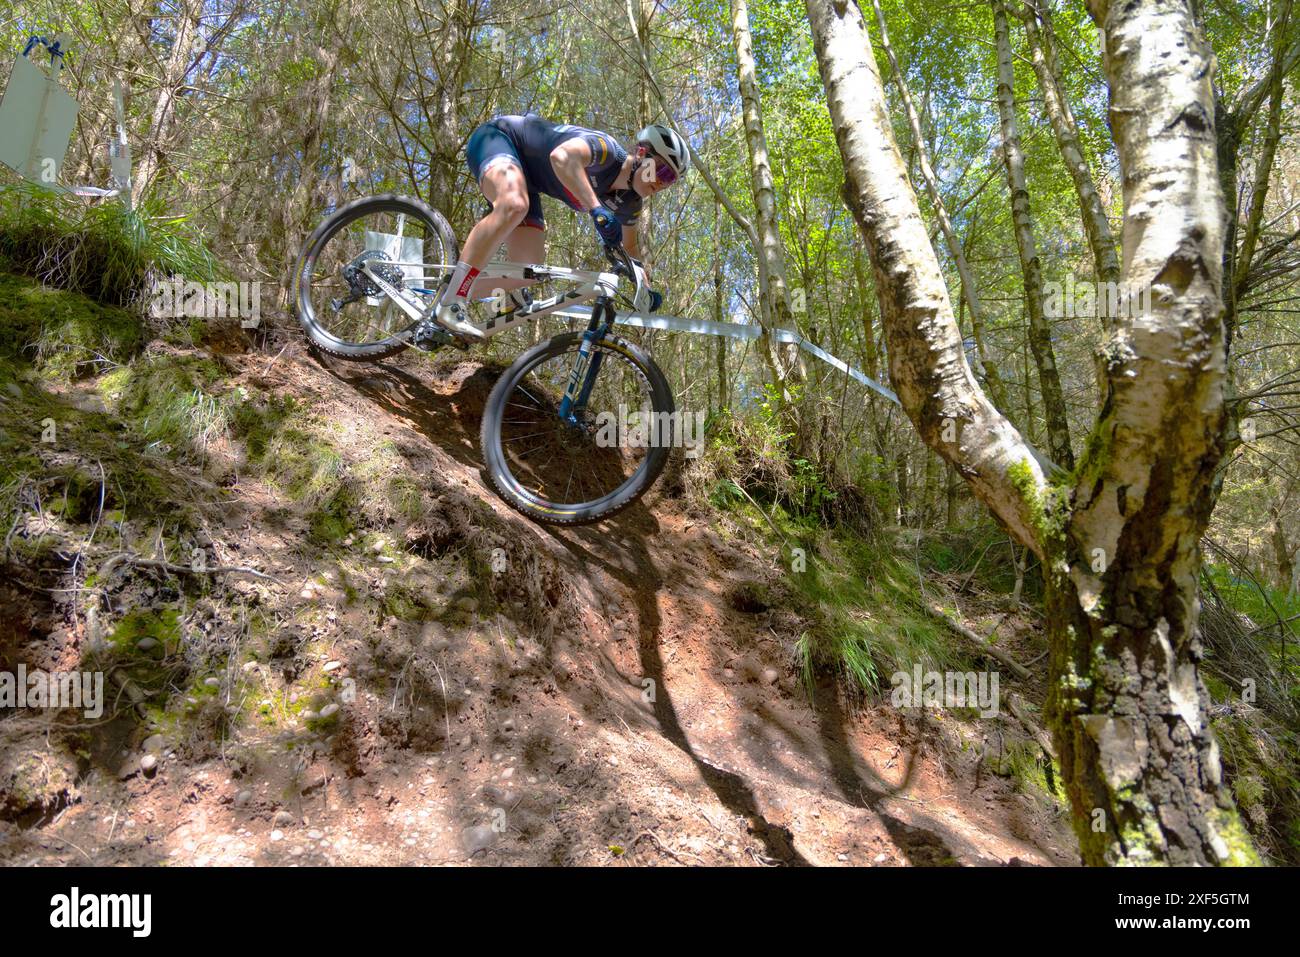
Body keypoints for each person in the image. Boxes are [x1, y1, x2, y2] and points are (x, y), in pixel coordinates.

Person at [429, 114, 689, 340]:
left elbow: (629, 246)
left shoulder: (630, 203)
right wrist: (595, 208)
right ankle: (452, 303)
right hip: (499, 139)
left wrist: (643, 284)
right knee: (513, 204)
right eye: (663, 172)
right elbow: (561, 157)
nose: (662, 183)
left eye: (671, 181)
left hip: (528, 182)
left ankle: (443, 292)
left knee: (527, 269)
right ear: (642, 154)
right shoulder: (606, 150)